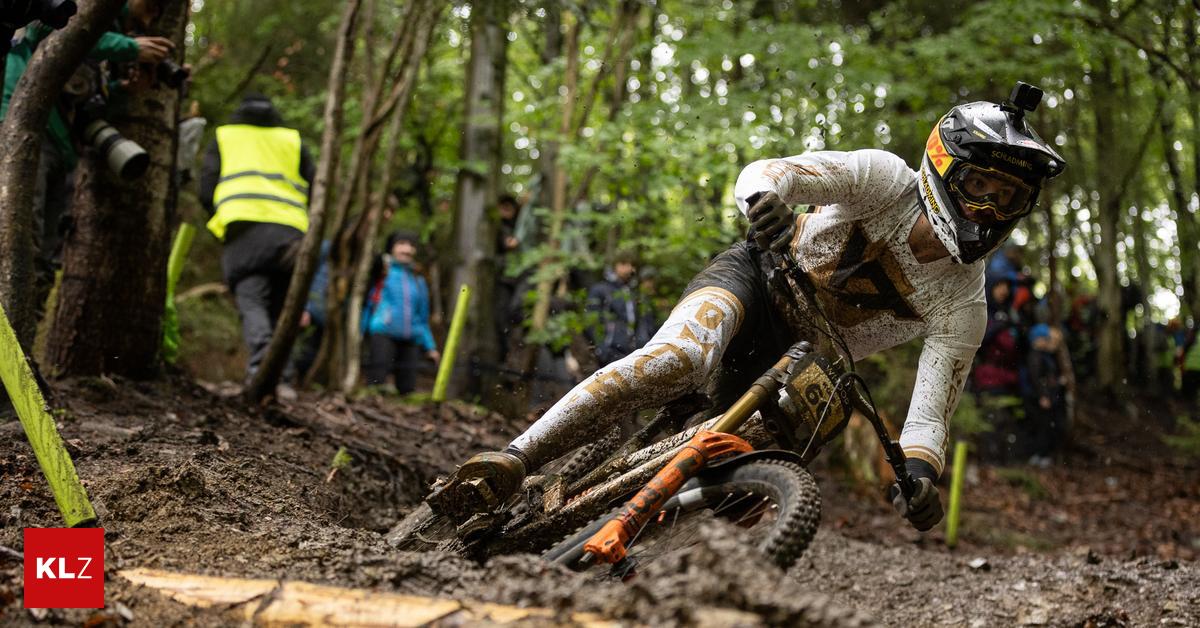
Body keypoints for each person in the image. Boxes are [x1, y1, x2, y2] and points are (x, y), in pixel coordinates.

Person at [432, 82, 1066, 534]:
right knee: (676, 360)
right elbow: (772, 171)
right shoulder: (881, 178)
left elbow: (931, 411)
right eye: (981, 186)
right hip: (760, 278)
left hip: (811, 359)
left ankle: (622, 543)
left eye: (1009, 198)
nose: (990, 209)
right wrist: (764, 200)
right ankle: (513, 460)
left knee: (749, 483)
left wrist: (921, 475)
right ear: (944, 167)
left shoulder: (966, 300)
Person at [1, 1, 174, 321]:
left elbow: (79, 93)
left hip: (61, 145)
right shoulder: (84, 12)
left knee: (43, 253)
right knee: (18, 238)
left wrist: (121, 88)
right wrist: (128, 48)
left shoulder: (113, 36)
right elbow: (61, 38)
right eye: (153, 4)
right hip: (19, 122)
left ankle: (21, 346)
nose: (156, 13)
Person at [199, 92, 314, 384]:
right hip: (291, 231)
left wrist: (220, 213)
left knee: (252, 301)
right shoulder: (293, 140)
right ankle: (283, 377)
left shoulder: (226, 136)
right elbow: (314, 185)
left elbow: (206, 187)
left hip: (243, 227)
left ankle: (261, 372)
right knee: (282, 308)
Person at [362, 231, 440, 393]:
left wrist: (430, 347)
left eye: (411, 245)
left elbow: (422, 317)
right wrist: (360, 332)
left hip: (411, 338)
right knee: (376, 383)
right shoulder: (381, 271)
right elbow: (368, 304)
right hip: (383, 332)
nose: (407, 249)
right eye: (402, 244)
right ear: (392, 247)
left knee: (407, 388)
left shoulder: (418, 279)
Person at [585, 251, 657, 367]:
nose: (628, 268)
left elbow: (640, 323)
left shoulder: (633, 292)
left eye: (631, 264)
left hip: (632, 353)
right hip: (610, 352)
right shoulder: (600, 290)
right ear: (614, 266)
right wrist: (602, 349)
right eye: (623, 263)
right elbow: (591, 321)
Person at [1023, 323, 1068, 466]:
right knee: (1042, 426)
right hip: (1040, 398)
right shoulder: (1034, 356)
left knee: (1048, 426)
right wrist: (1043, 395)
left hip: (1048, 396)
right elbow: (1036, 378)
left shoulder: (1044, 355)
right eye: (1044, 338)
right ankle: (1039, 455)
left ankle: (1043, 454)